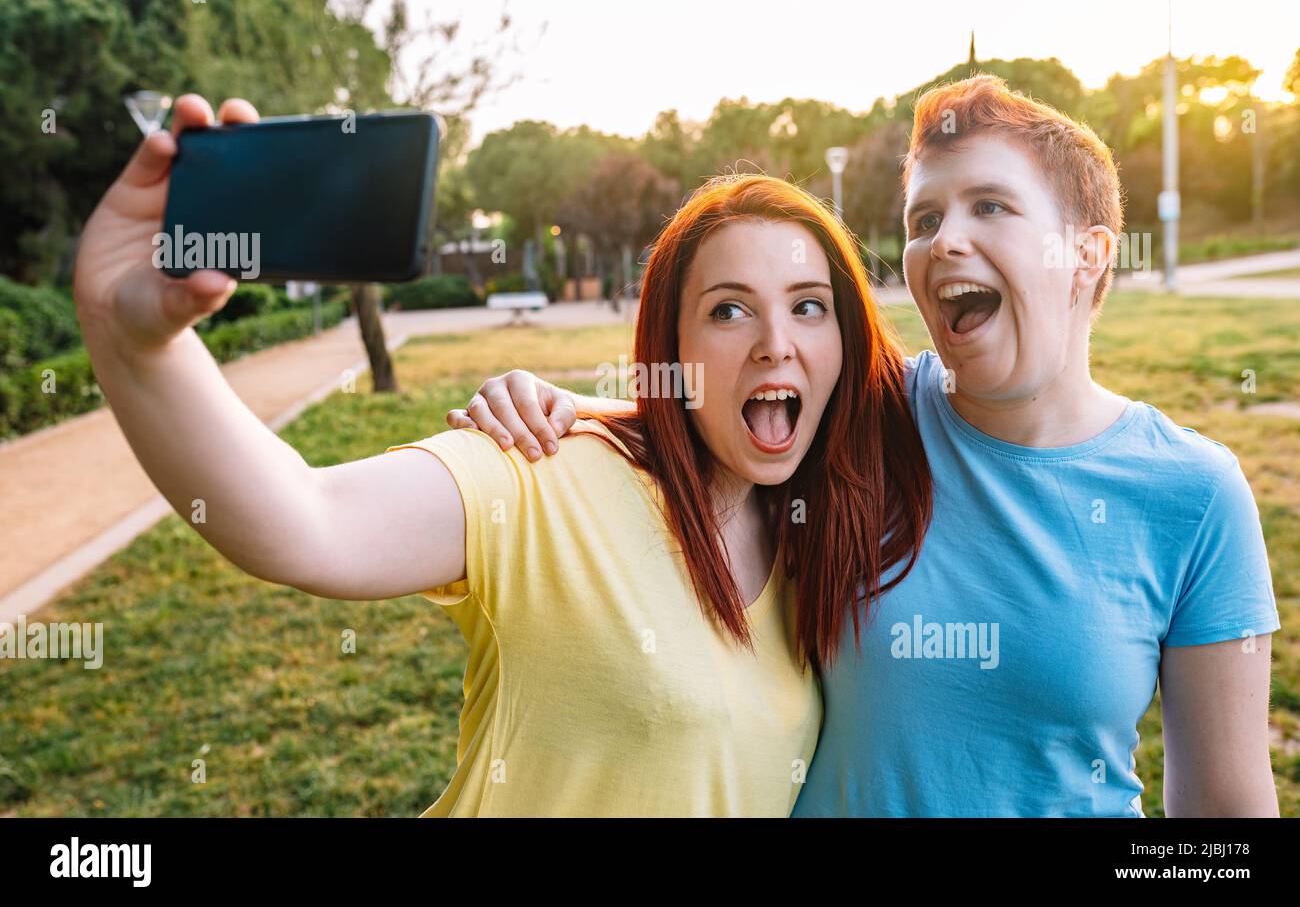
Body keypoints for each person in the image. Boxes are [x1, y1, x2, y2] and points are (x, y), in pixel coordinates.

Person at [72, 93, 930, 816]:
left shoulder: (812, 526)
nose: (778, 343)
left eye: (810, 307)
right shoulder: (544, 473)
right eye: (730, 311)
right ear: (670, 341)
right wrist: (135, 344)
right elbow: (304, 523)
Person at [450, 75, 1282, 817]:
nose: (944, 240)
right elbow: (743, 403)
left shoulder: (1196, 495)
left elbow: (1224, 818)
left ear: (1088, 254)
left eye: (989, 205)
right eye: (926, 217)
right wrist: (574, 409)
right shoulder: (875, 413)